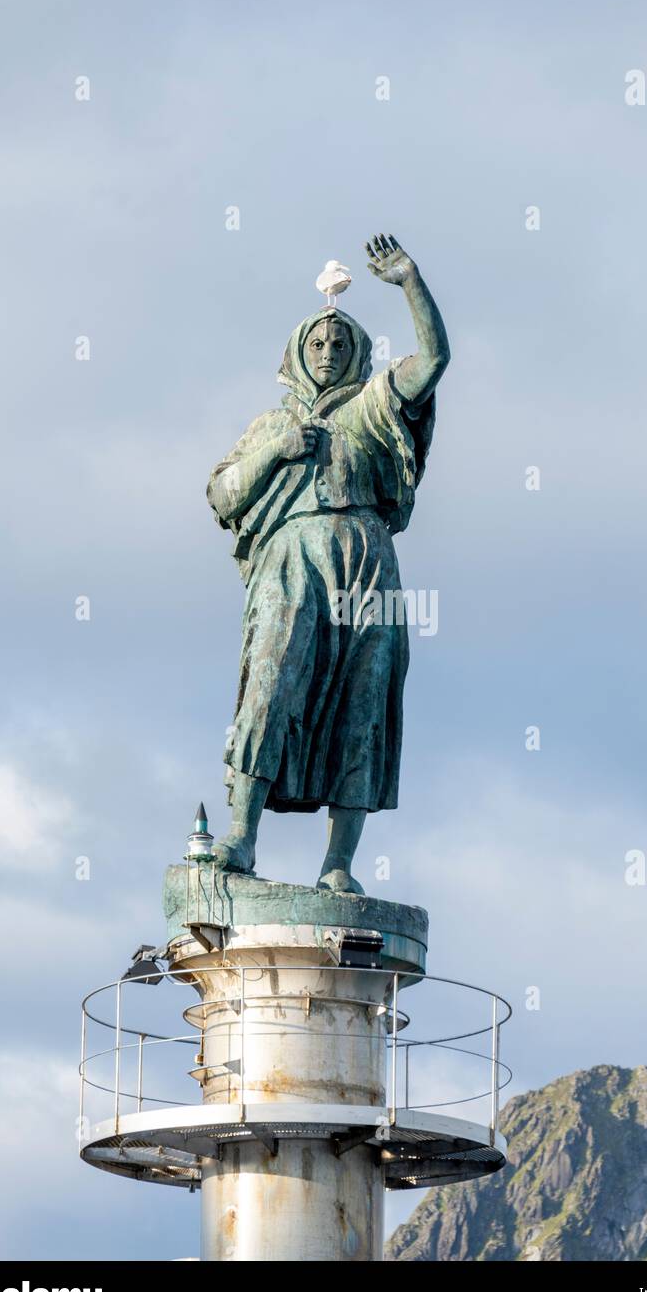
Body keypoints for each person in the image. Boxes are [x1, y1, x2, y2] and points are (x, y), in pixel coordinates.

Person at [207, 234, 450, 893]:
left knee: (364, 701)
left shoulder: (373, 407)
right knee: (272, 680)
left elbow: (433, 357)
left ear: (358, 354)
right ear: (294, 353)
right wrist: (277, 450)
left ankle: (338, 862)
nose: (327, 352)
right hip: (292, 558)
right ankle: (240, 838)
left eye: (340, 345)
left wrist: (409, 283)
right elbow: (222, 494)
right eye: (315, 343)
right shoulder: (267, 424)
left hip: (369, 560)